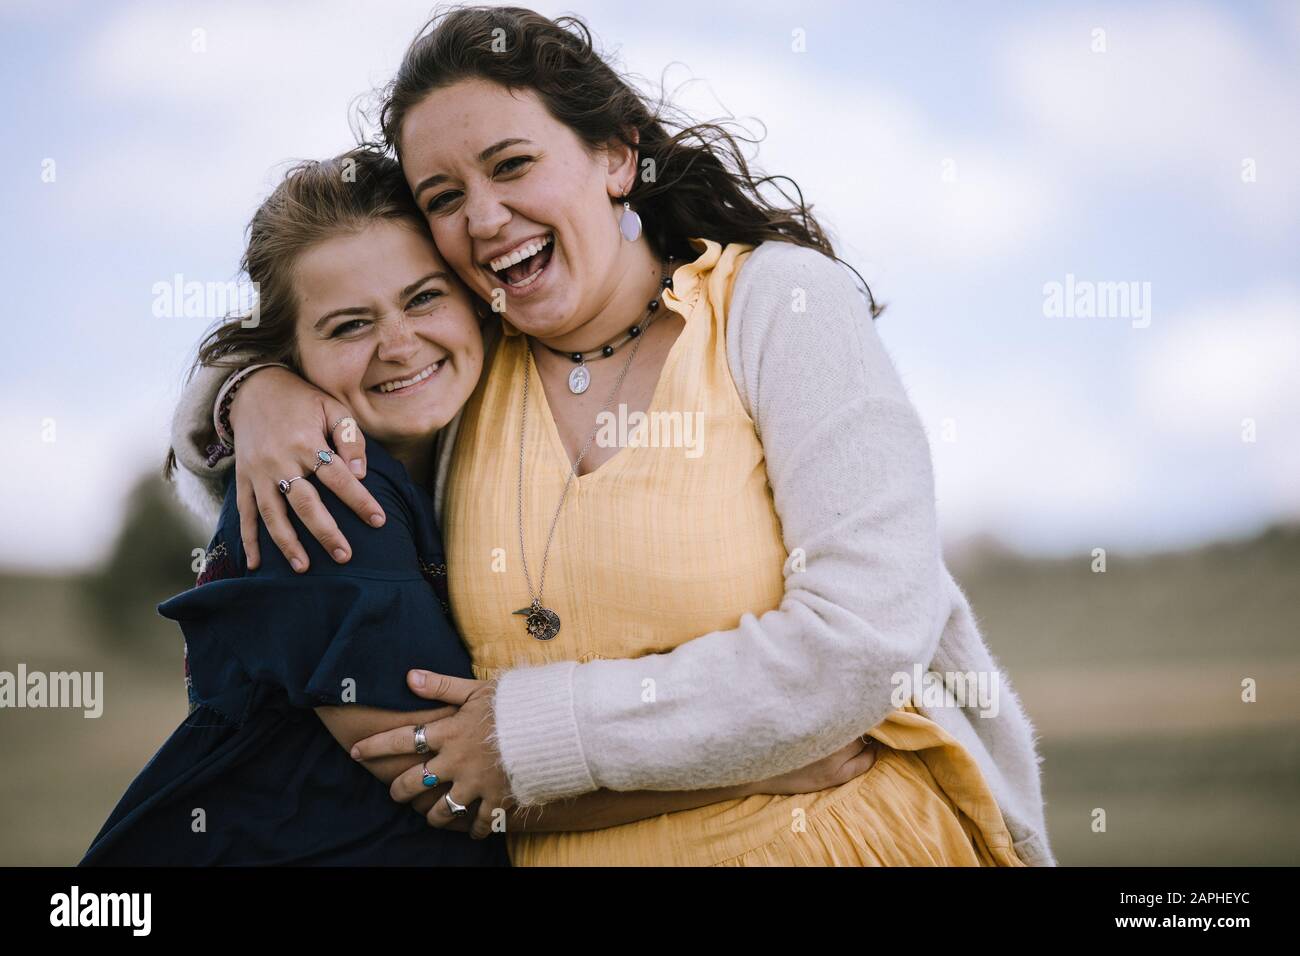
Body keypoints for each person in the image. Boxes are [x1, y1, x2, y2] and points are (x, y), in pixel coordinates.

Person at [168, 7, 1053, 866]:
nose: (482, 217)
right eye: (445, 197)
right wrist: (254, 390)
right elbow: (337, 358)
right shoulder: (469, 358)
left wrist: (534, 736)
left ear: (616, 155)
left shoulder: (775, 307)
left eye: (512, 164)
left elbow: (861, 643)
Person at [85, 147, 871, 865]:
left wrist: (246, 391)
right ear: (293, 356)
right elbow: (440, 786)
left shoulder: (495, 421)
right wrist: (756, 768)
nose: (398, 344)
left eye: (423, 299)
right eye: (349, 326)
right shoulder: (326, 499)